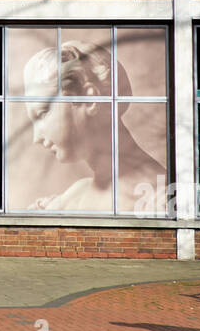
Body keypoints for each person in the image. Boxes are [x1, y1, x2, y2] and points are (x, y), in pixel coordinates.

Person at [24, 39, 165, 212]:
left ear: (90, 100)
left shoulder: (160, 198)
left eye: (43, 113)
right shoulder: (73, 198)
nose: (36, 137)